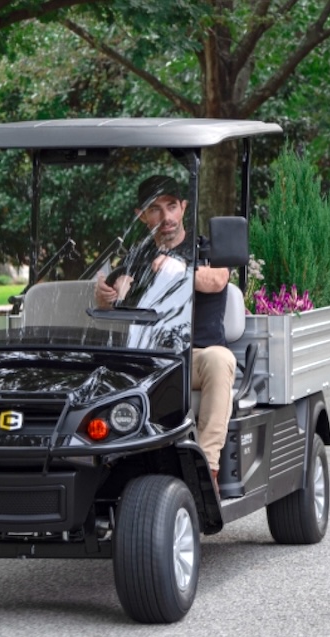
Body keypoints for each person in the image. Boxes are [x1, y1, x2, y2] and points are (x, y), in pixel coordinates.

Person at [95, 175, 236, 487]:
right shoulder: (138, 255)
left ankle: (208, 467)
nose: (166, 217)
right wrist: (105, 295)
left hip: (194, 358)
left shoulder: (204, 248)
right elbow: (115, 288)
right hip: (150, 357)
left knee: (219, 360)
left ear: (183, 208)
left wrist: (184, 272)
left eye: (172, 206)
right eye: (155, 210)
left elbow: (218, 280)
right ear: (142, 216)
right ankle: (107, 465)